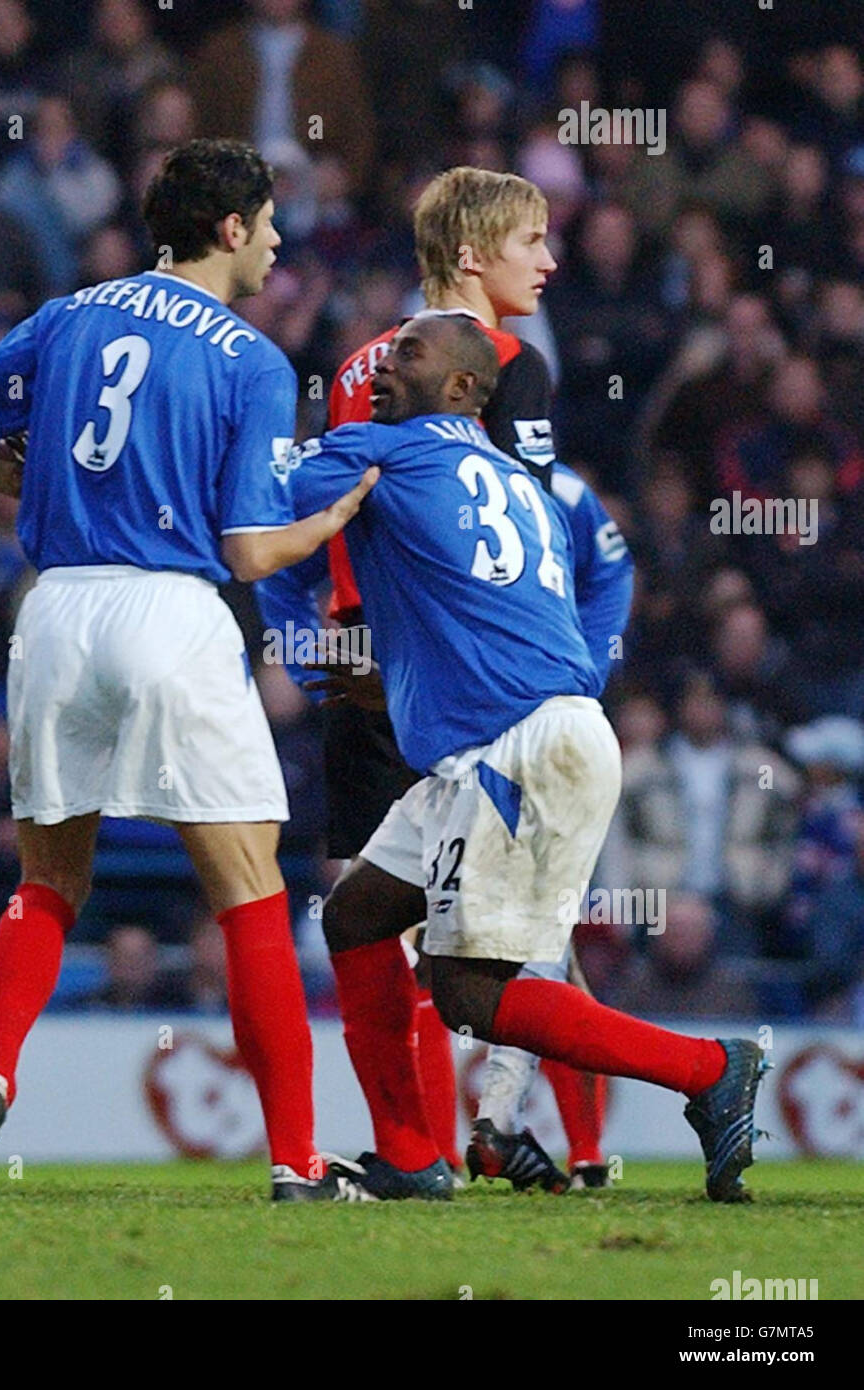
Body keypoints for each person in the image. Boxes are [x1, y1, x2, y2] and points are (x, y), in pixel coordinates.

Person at [0, 139, 377, 1201]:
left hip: (58, 608)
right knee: (250, 892)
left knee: (48, 880)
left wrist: (17, 482)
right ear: (227, 230)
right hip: (169, 610)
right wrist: (331, 517)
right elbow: (252, 552)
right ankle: (299, 1162)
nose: (273, 240)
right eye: (264, 221)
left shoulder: (71, 313)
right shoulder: (250, 358)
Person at [287, 312, 767, 1204]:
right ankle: (409, 1158)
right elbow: (478, 629)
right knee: (355, 917)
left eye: (409, 355)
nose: (384, 367)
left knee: (468, 988)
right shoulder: (520, 485)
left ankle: (708, 1068)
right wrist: (391, 683)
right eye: (387, 354)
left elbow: (261, 498)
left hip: (520, 751)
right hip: (505, 739)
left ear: (466, 390)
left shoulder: (388, 452)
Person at [258, 167, 633, 1191]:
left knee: (378, 922)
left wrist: (308, 645)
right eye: (531, 242)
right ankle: (555, 1140)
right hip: (474, 690)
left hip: (363, 672)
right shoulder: (499, 365)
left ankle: (420, 1151)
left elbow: (301, 528)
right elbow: (522, 540)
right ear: (474, 254)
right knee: (522, 939)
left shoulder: (357, 369)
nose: (548, 261)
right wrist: (568, 669)